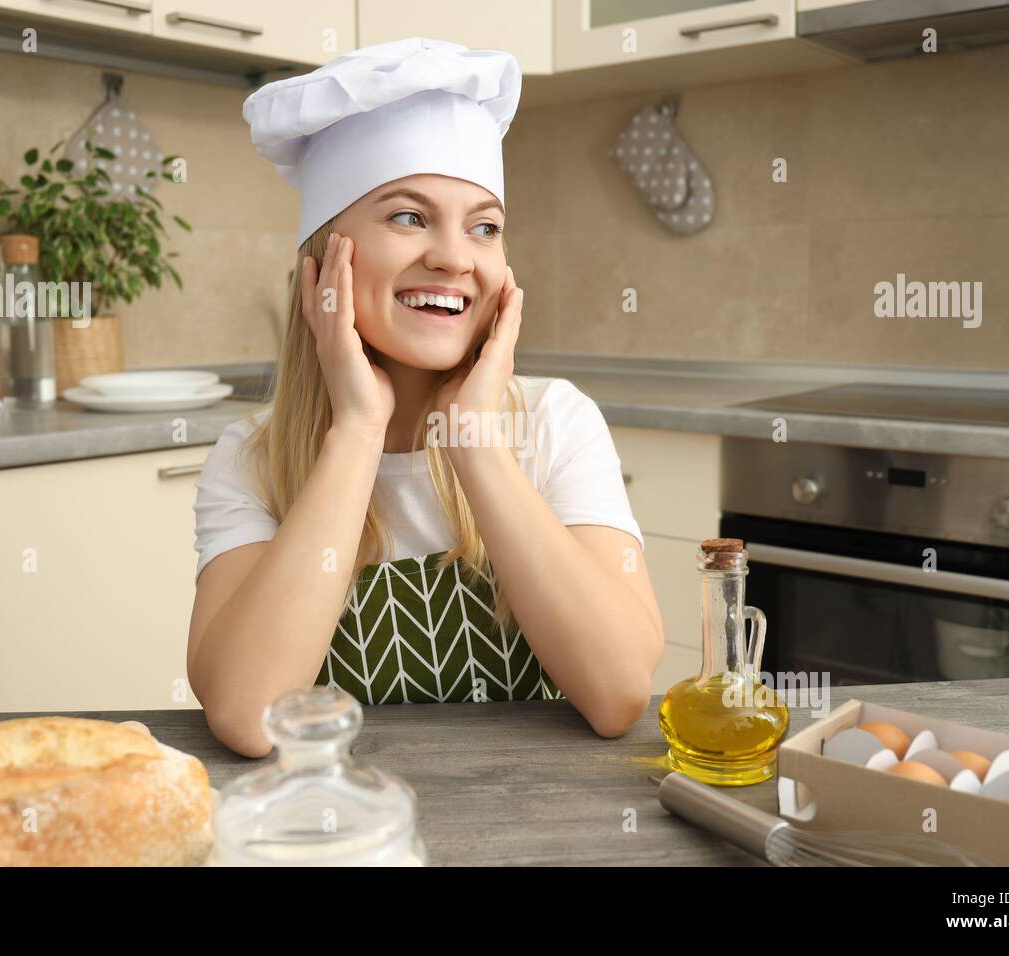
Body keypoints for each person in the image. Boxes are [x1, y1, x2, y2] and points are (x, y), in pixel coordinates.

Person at [188, 37, 663, 758]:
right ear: (323, 262)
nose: (454, 256)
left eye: (485, 227)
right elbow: (249, 716)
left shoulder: (557, 422)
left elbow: (618, 693)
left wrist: (474, 440)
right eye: (408, 217)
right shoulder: (250, 460)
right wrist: (356, 430)